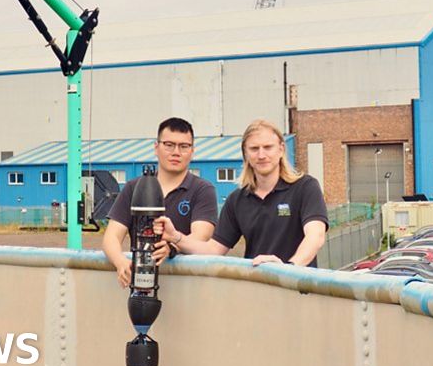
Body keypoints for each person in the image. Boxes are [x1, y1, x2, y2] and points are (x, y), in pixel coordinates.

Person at [156, 119, 328, 267]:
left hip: (300, 293)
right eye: (254, 149)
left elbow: (315, 236)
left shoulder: (305, 187)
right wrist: (176, 237)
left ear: (281, 149)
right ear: (245, 153)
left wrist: (289, 269)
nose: (261, 155)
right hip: (257, 292)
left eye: (268, 147)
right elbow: (214, 250)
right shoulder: (237, 200)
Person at [101, 118, 218, 287]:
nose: (176, 152)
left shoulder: (203, 189)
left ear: (192, 151)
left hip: (188, 285)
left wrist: (172, 248)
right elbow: (111, 237)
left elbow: (201, 236)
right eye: (169, 145)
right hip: (141, 284)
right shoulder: (134, 188)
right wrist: (120, 262)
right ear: (156, 148)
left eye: (184, 146)